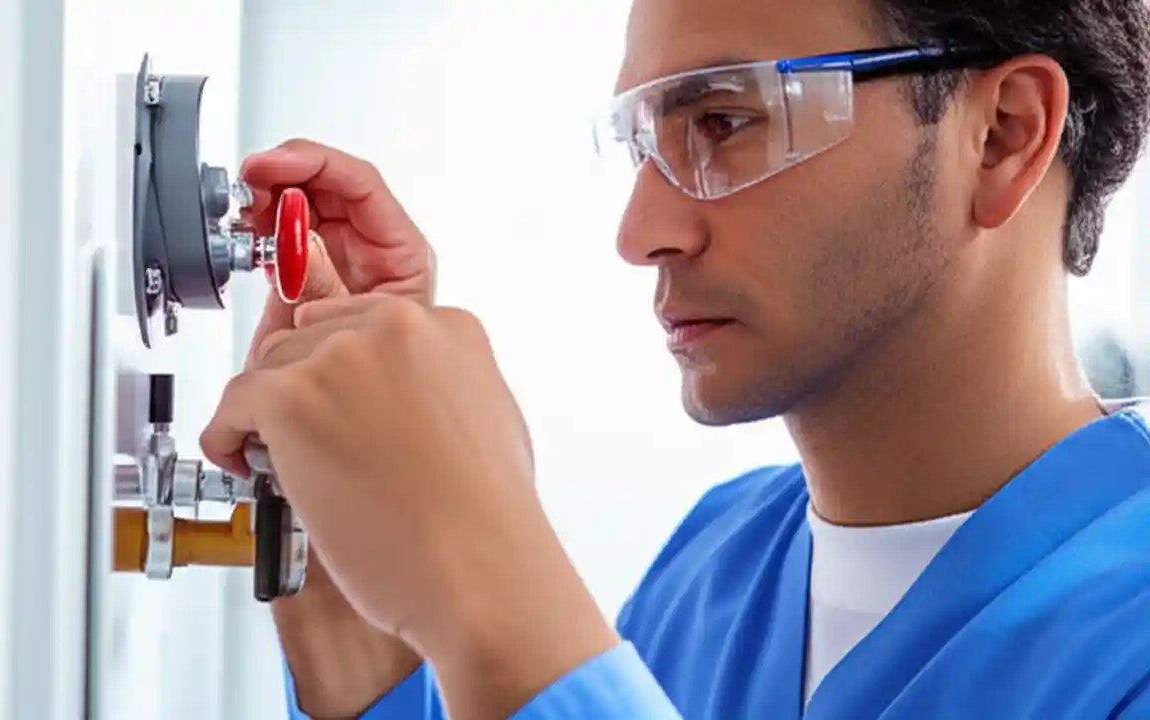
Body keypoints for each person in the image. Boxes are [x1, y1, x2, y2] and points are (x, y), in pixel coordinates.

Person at [199, 0, 1150, 717]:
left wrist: (489, 592)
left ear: (1004, 134)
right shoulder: (712, 567)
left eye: (726, 124)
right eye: (645, 144)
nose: (640, 231)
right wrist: (376, 649)